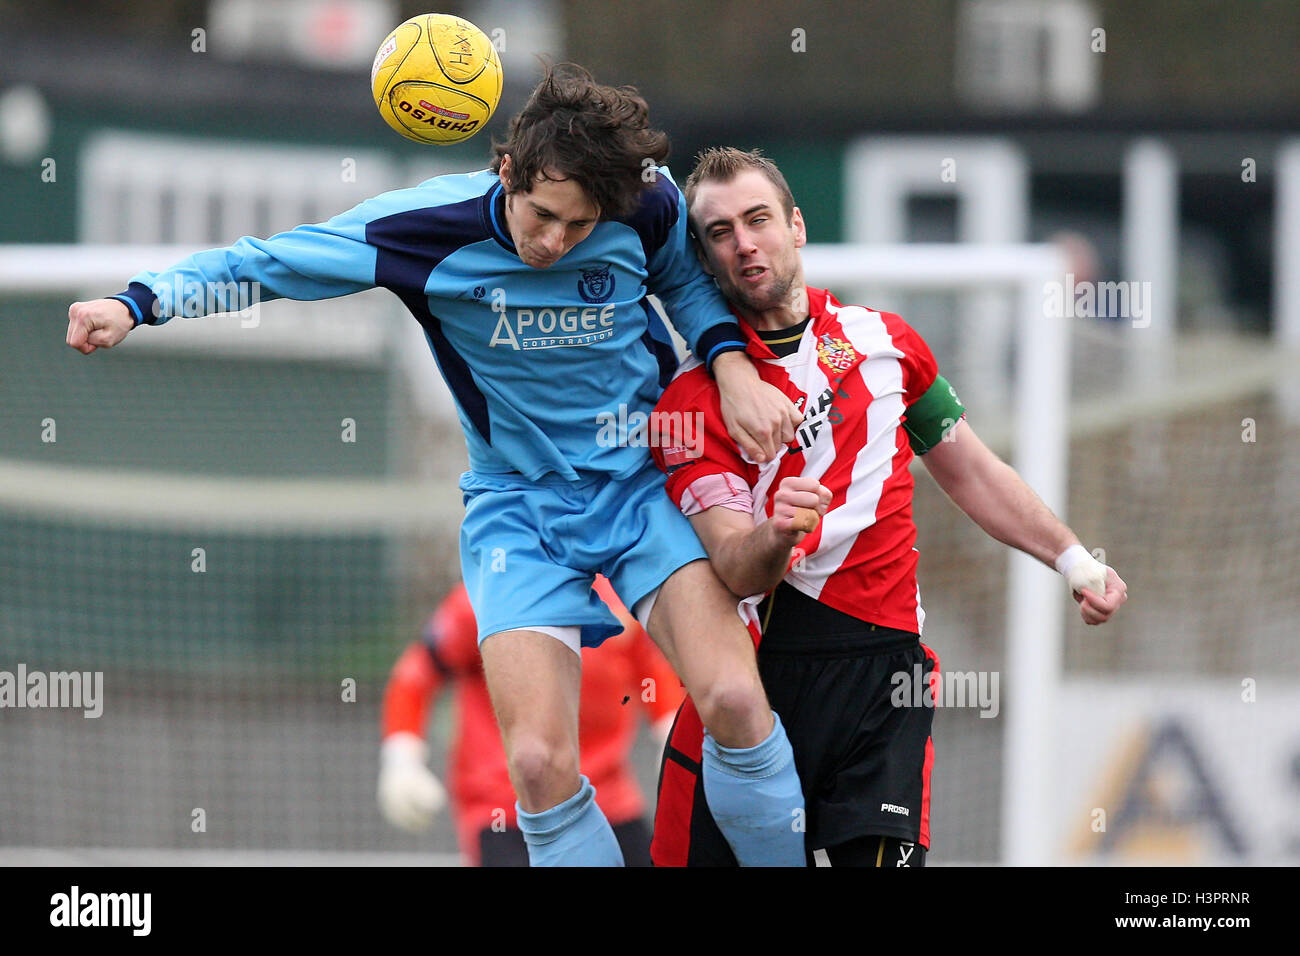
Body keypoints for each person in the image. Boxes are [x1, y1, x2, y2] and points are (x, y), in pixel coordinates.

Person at [63, 66, 808, 866]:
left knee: (733, 697)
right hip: (519, 510)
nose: (554, 242)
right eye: (542, 215)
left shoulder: (648, 203)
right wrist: (137, 304)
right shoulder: (423, 228)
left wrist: (729, 362)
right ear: (507, 173)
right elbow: (266, 264)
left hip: (644, 483)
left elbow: (685, 285)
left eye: (580, 226)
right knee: (536, 765)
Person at [648, 147, 1129, 867]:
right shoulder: (689, 404)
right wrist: (778, 532)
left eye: (758, 220)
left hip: (883, 685)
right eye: (720, 233)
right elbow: (736, 570)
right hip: (754, 686)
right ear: (704, 257)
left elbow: (970, 470)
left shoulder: (887, 343)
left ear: (797, 226)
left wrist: (1072, 557)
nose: (745, 243)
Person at [378, 576, 681, 866]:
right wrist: (402, 758)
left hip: (608, 800)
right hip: (507, 806)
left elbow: (652, 671)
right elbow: (416, 676)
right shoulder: (483, 598)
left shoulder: (619, 596)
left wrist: (671, 735)